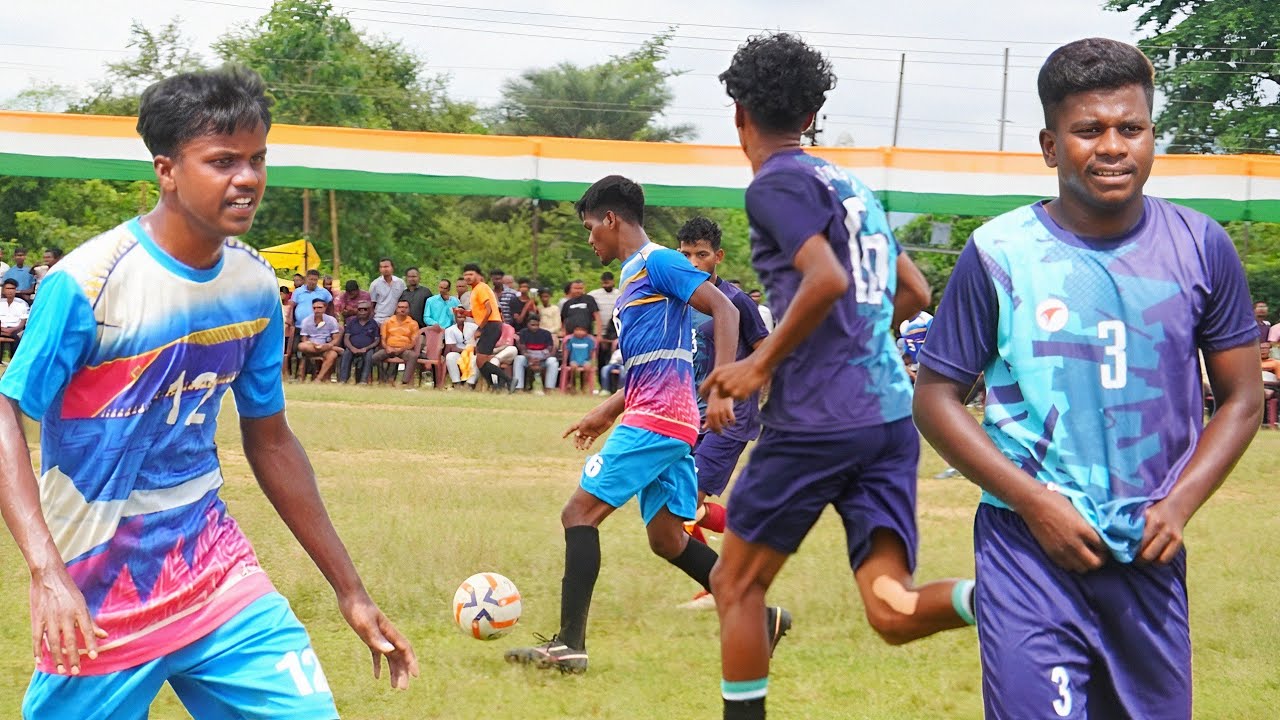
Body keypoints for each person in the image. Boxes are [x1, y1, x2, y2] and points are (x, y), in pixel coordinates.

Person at [0, 66, 416, 719]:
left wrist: (350, 590)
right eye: (222, 161)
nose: (247, 178)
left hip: (215, 572)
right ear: (167, 170)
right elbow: (5, 408)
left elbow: (270, 439)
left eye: (256, 159)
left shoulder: (252, 286)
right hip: (102, 593)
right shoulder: (87, 284)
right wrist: (45, 570)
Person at [911, 38, 1263, 720]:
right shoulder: (999, 253)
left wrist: (1181, 503)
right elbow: (935, 396)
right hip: (1028, 550)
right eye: (1088, 130)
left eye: (1130, 128)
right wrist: (1034, 502)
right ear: (1050, 145)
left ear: (1151, 135)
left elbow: (1244, 397)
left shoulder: (1201, 245)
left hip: (1148, 551)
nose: (1112, 146)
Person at [702, 35, 975, 720]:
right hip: (886, 420)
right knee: (892, 609)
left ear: (739, 112)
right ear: (813, 112)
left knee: (736, 585)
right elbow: (912, 288)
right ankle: (1011, 594)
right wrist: (859, 352)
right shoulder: (849, 185)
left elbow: (825, 278)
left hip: (816, 423)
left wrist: (760, 363)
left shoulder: (774, 183)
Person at [504, 175, 789, 674]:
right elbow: (656, 360)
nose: (590, 239)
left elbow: (725, 309)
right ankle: (760, 618)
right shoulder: (639, 274)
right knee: (668, 539)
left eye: (592, 228)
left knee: (578, 514)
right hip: (663, 415)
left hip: (658, 418)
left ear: (612, 220)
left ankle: (569, 645)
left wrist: (723, 383)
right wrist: (606, 410)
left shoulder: (658, 261)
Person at [676, 216, 771, 609]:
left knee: (684, 499)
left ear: (718, 256)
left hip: (729, 418)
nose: (694, 262)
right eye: (686, 255)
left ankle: (721, 582)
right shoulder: (679, 299)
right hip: (687, 415)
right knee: (675, 503)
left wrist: (744, 388)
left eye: (702, 254)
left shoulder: (736, 301)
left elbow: (765, 350)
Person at [461, 263, 511, 390]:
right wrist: (464, 313)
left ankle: (508, 381)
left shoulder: (481, 288)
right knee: (480, 361)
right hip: (491, 324)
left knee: (481, 361)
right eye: (466, 274)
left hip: (491, 325)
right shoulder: (475, 290)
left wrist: (480, 329)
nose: (468, 277)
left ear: (479, 276)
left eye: (471, 274)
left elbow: (488, 311)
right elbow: (480, 313)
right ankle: (496, 386)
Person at [371, 299, 419, 386]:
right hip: (389, 348)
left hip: (404, 350)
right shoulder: (388, 321)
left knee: (413, 356)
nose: (402, 309)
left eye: (405, 307)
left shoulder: (413, 323)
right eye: (400, 307)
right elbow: (383, 339)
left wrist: (402, 349)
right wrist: (387, 347)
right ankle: (383, 379)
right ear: (396, 309)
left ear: (409, 309)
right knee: (375, 357)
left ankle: (405, 382)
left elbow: (413, 342)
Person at [297, 298, 342, 382]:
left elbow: (336, 338)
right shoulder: (306, 321)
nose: (317, 310)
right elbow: (304, 339)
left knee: (332, 355)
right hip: (311, 347)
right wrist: (314, 345)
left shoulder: (331, 320)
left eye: (319, 308)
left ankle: (318, 379)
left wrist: (327, 346)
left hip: (326, 346)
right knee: (301, 346)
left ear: (325, 308)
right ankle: (330, 348)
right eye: (314, 308)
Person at [514, 315, 558, 393]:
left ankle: (549, 389)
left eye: (537, 325)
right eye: (532, 325)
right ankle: (519, 388)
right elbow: (523, 349)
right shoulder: (523, 333)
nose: (535, 327)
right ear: (527, 324)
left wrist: (540, 359)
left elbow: (549, 349)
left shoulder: (546, 334)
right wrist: (530, 358)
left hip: (542, 357)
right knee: (519, 359)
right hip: (529, 357)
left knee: (553, 361)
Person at [339, 301, 380, 384]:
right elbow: (346, 338)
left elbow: (377, 340)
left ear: (370, 311)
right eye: (360, 309)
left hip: (367, 349)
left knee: (370, 355)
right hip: (352, 348)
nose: (362, 312)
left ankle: (363, 381)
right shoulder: (351, 322)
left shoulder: (373, 323)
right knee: (346, 353)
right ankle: (343, 380)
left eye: (365, 309)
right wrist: (352, 348)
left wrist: (366, 348)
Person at [589, 270, 621, 366]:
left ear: (613, 281)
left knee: (614, 357)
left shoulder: (620, 294)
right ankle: (602, 378)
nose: (606, 285)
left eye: (608, 282)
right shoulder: (593, 295)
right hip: (599, 332)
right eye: (604, 283)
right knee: (601, 358)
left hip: (614, 332)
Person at [443, 309, 478, 388]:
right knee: (450, 356)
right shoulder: (449, 330)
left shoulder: (474, 327)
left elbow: (479, 340)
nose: (461, 316)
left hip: (473, 353)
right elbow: (451, 347)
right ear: (454, 316)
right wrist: (466, 351)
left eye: (463, 314)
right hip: (459, 353)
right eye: (459, 314)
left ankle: (470, 384)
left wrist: (471, 351)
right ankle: (456, 383)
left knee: (476, 359)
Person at [369, 258, 406, 324]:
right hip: (379, 319)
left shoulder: (400, 282)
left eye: (386, 266)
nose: (384, 269)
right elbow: (372, 304)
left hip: (397, 318)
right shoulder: (375, 284)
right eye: (381, 267)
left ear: (392, 268)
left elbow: (404, 300)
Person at [0, 278, 29, 363]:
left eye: (12, 289)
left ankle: (15, 361)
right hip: (1, 329)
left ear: (16, 290)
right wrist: (2, 329)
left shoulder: (22, 304)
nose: (10, 291)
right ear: (3, 290)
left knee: (20, 336)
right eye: (8, 289)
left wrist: (12, 330)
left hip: (15, 330)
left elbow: (22, 323)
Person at [563, 326, 597, 394]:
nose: (579, 332)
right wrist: (564, 362)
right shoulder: (571, 340)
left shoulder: (589, 340)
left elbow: (592, 352)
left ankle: (584, 385)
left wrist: (592, 362)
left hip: (585, 360)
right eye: (577, 330)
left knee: (587, 367)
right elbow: (567, 351)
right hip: (574, 360)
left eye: (582, 330)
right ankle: (572, 385)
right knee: (573, 366)